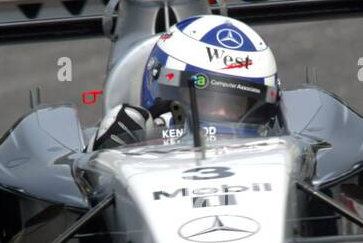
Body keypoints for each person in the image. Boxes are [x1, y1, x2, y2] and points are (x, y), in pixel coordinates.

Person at [93, 15, 283, 148]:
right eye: (204, 100)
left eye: (235, 105)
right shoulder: (130, 141)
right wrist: (105, 155)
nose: (220, 112)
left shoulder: (279, 153)